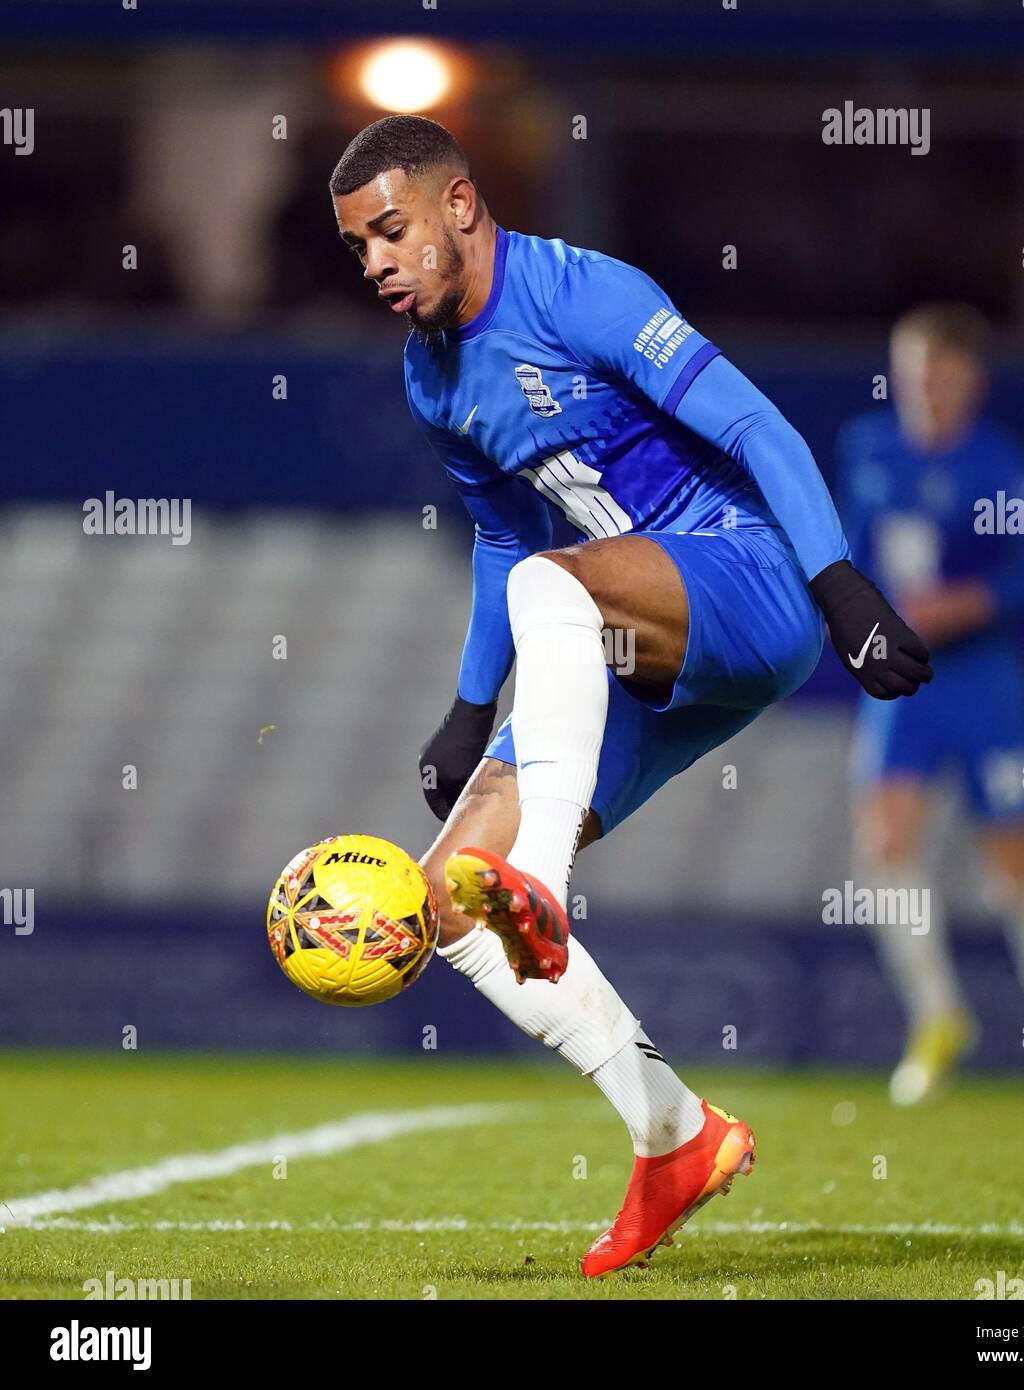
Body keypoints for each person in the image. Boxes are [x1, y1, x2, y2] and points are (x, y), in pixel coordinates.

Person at [330, 115, 931, 1276]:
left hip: (746, 575)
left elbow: (756, 423)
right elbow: (506, 546)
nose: (376, 265)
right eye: (358, 249)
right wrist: (468, 712)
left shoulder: (582, 294)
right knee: (443, 905)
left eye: (391, 233)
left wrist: (839, 581)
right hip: (631, 631)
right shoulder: (430, 378)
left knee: (557, 609)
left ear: (460, 206)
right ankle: (673, 1133)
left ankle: (538, 883)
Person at [836, 302, 1024, 1109]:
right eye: (912, 371)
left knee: (1012, 862)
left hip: (986, 684)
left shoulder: (999, 467)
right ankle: (938, 1017)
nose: (925, 388)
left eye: (941, 373)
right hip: (906, 682)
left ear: (971, 381)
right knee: (883, 846)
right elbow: (846, 548)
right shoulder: (868, 449)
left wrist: (964, 603)